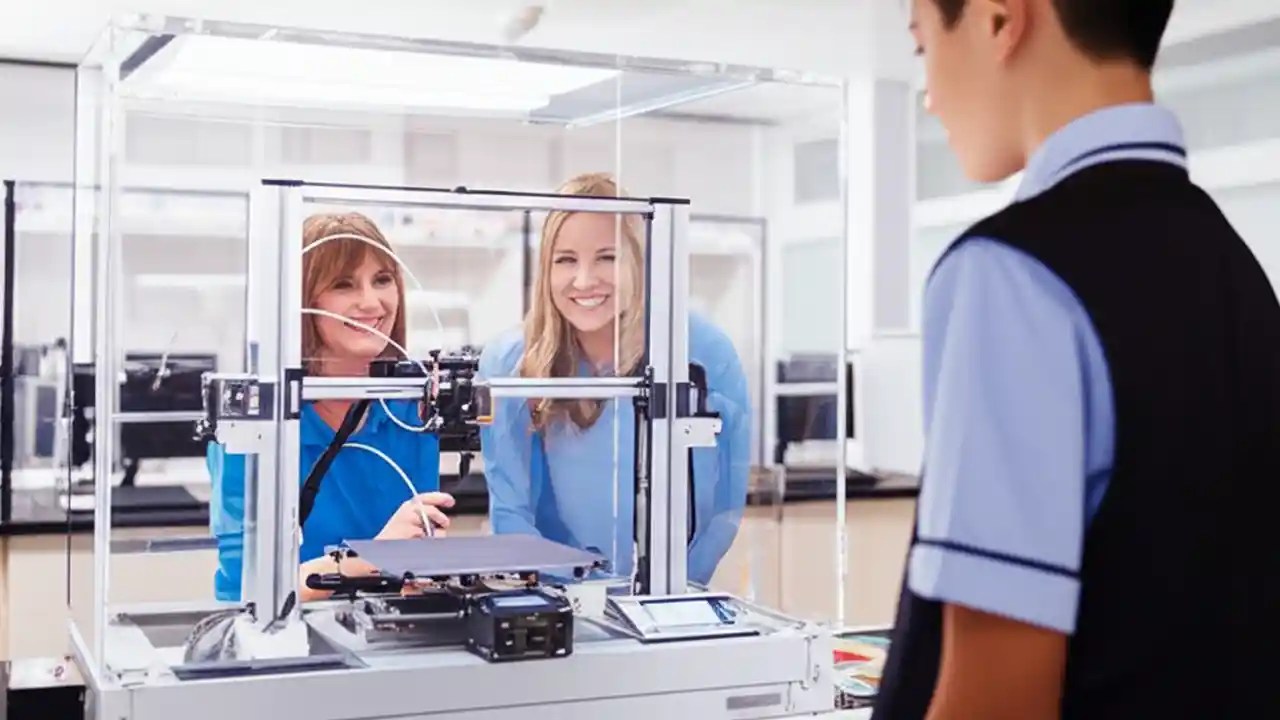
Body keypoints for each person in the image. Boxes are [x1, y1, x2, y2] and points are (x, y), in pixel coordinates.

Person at [875, 1, 1280, 718]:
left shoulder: (1009, 275)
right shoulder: (1237, 270)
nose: (931, 95)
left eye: (922, 47)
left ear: (1001, 20)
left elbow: (997, 700)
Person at [478, 172, 751, 585]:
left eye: (607, 257)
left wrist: (669, 594)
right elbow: (511, 513)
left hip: (671, 595)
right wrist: (579, 598)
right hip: (560, 602)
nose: (585, 280)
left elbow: (721, 509)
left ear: (638, 261)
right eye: (566, 259)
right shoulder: (512, 363)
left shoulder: (701, 352)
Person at [208, 212, 453, 603]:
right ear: (302, 301)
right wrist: (370, 560)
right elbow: (247, 590)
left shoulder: (412, 414)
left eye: (383, 280)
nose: (372, 302)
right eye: (344, 284)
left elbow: (415, 560)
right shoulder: (254, 425)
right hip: (280, 640)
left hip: (386, 631)